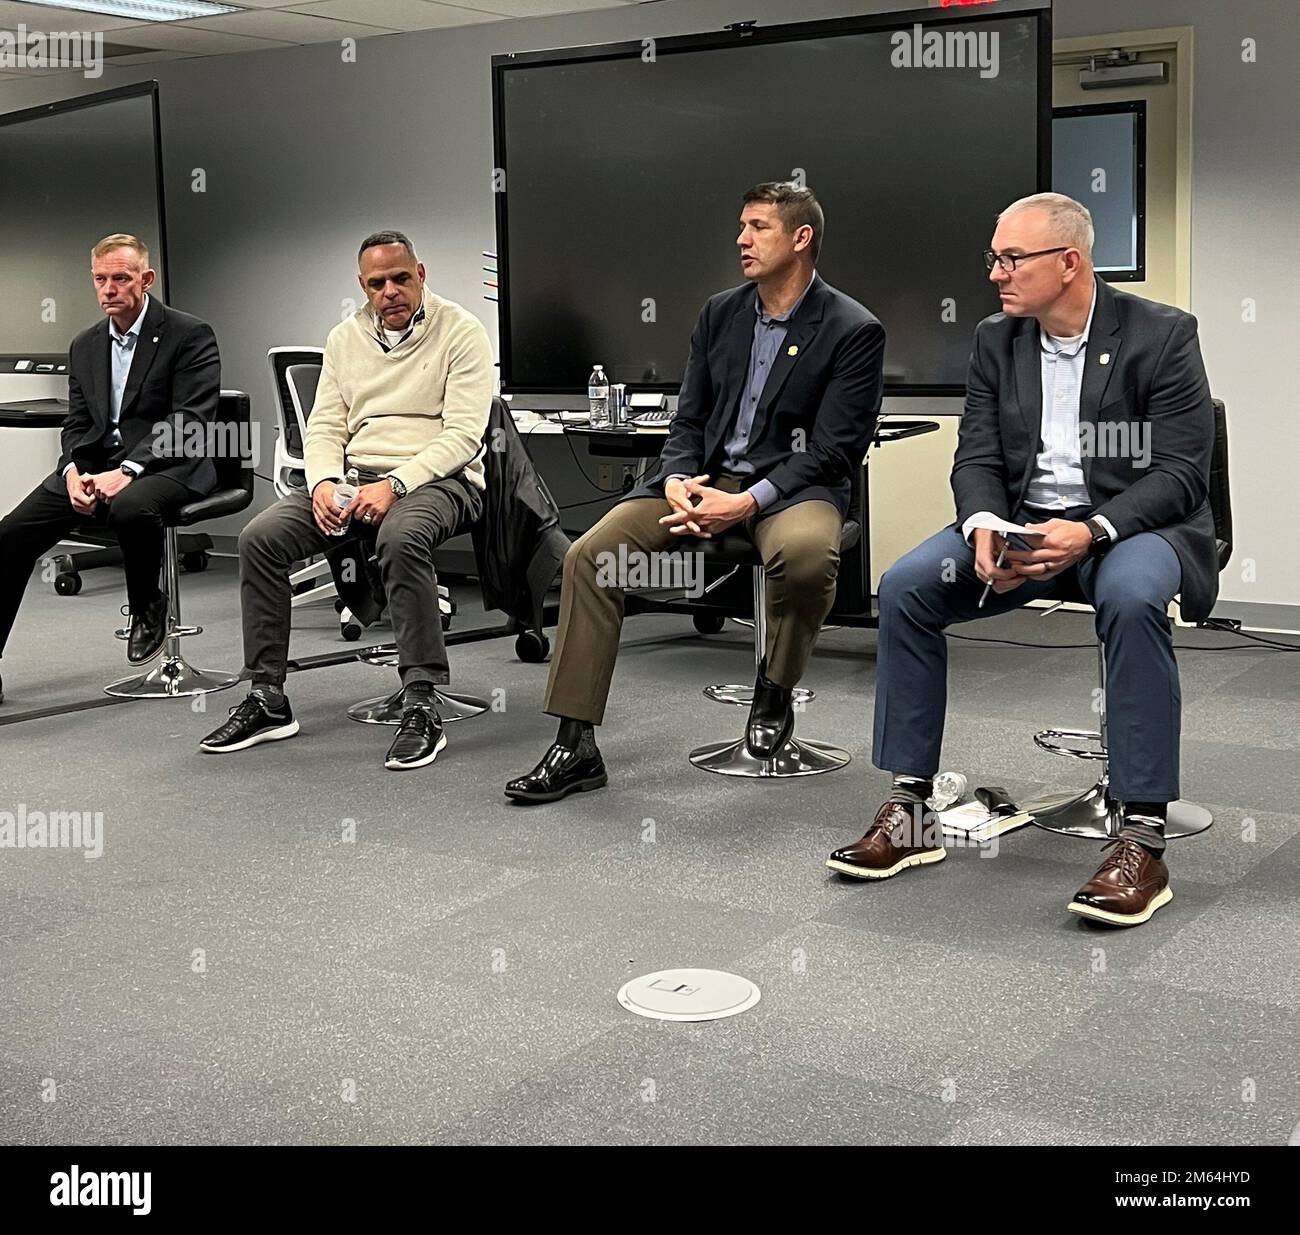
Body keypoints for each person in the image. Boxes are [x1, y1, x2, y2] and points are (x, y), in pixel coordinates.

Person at [827, 192, 1218, 927]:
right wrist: (983, 526)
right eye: (994, 258)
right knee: (906, 584)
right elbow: (975, 451)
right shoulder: (996, 339)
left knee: (1133, 598)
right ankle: (911, 809)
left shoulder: (1161, 335)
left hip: (1130, 530)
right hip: (1022, 531)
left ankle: (1141, 836)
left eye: (1012, 259)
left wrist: (1093, 529)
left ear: (1069, 262)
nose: (996, 274)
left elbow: (1180, 474)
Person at [505, 181, 886, 802]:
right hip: (701, 480)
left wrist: (748, 501)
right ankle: (575, 744)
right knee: (590, 558)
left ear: (801, 238)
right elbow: (689, 418)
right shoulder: (720, 313)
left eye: (757, 227)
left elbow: (832, 450)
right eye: (741, 225)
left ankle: (773, 693)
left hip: (793, 489)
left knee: (810, 556)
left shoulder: (852, 329)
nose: (741, 239)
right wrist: (679, 478)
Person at [200, 231, 492, 770]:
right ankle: (267, 697)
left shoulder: (462, 331)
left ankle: (422, 701)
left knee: (401, 537)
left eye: (401, 278)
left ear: (421, 274)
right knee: (259, 539)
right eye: (377, 283)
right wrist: (324, 484)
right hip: (357, 476)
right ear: (363, 286)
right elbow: (325, 427)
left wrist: (397, 484)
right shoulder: (344, 338)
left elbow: (464, 436)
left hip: (440, 478)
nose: (390, 292)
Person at [0, 233, 219, 703]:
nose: (109, 289)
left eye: (120, 278)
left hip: (171, 465)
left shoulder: (189, 334)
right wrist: (73, 471)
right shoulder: (85, 345)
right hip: (97, 467)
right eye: (100, 279)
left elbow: (189, 420)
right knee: (10, 535)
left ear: (146, 279)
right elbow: (78, 423)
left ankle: (147, 607)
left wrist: (133, 467)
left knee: (130, 507)